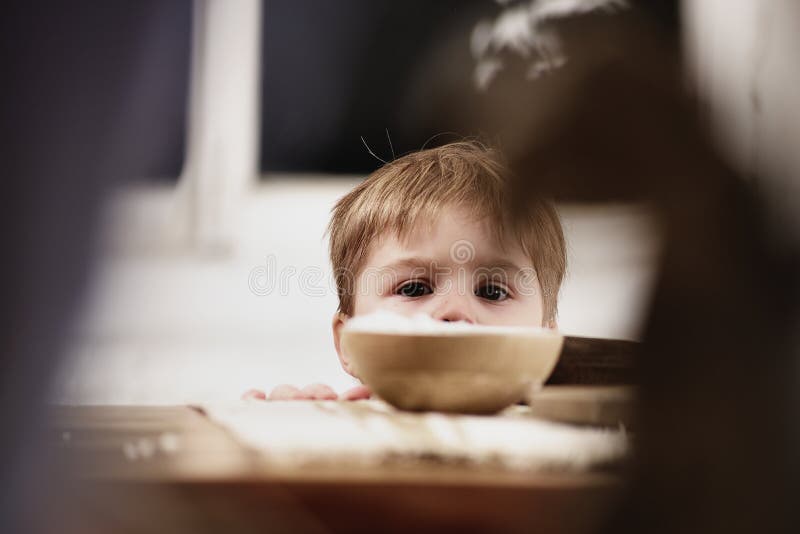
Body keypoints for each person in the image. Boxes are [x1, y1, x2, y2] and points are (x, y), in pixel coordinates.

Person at [244, 141, 566, 401]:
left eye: (493, 291)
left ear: (549, 347)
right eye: (414, 289)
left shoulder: (573, 449)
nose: (455, 312)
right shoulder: (345, 434)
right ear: (349, 343)